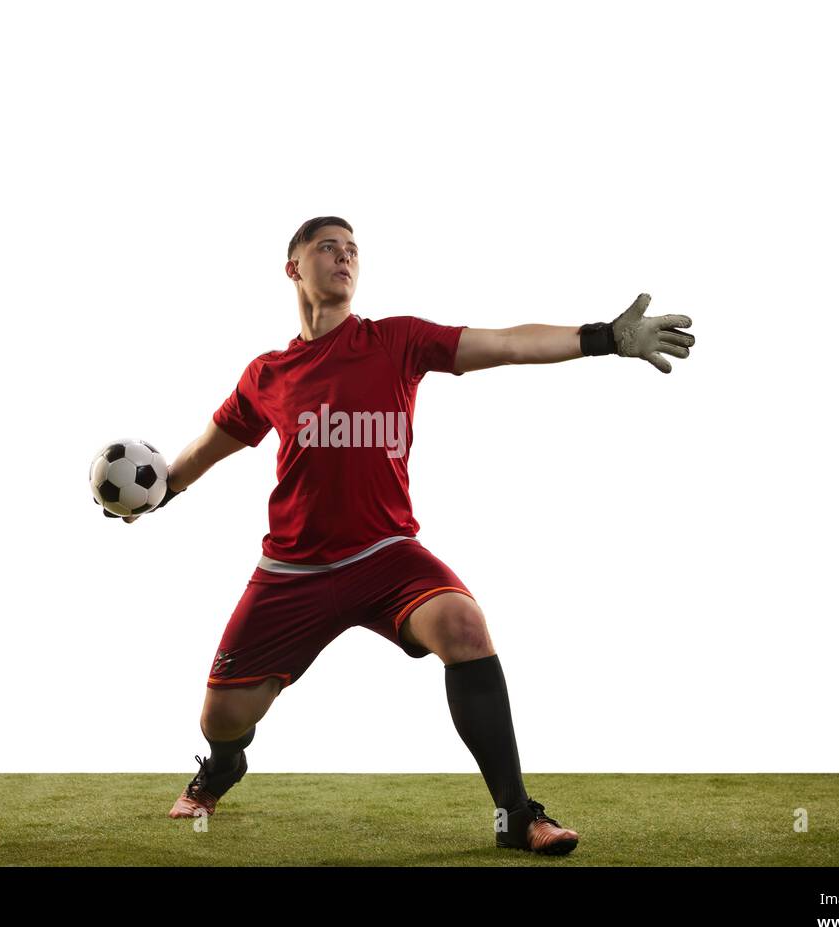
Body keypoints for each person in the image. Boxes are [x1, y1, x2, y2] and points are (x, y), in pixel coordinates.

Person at [118, 216, 695, 855]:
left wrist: (605, 337)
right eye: (327, 248)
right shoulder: (268, 374)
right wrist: (163, 488)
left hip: (385, 555)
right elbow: (210, 445)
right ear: (293, 268)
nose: (344, 258)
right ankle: (223, 769)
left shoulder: (398, 342)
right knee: (221, 719)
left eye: (352, 250)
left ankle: (516, 816)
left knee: (463, 626)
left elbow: (505, 343)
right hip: (292, 571)